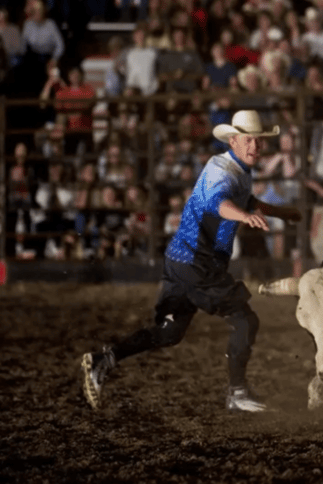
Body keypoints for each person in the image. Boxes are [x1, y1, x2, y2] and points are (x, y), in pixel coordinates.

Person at [80, 110, 303, 412]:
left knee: (169, 332)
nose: (255, 146)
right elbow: (219, 203)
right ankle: (237, 392)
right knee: (245, 319)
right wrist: (244, 217)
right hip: (199, 262)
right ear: (234, 141)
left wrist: (280, 213)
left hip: (181, 259)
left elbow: (243, 200)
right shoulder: (221, 171)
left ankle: (104, 360)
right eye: (249, 140)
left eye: (258, 140)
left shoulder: (234, 169)